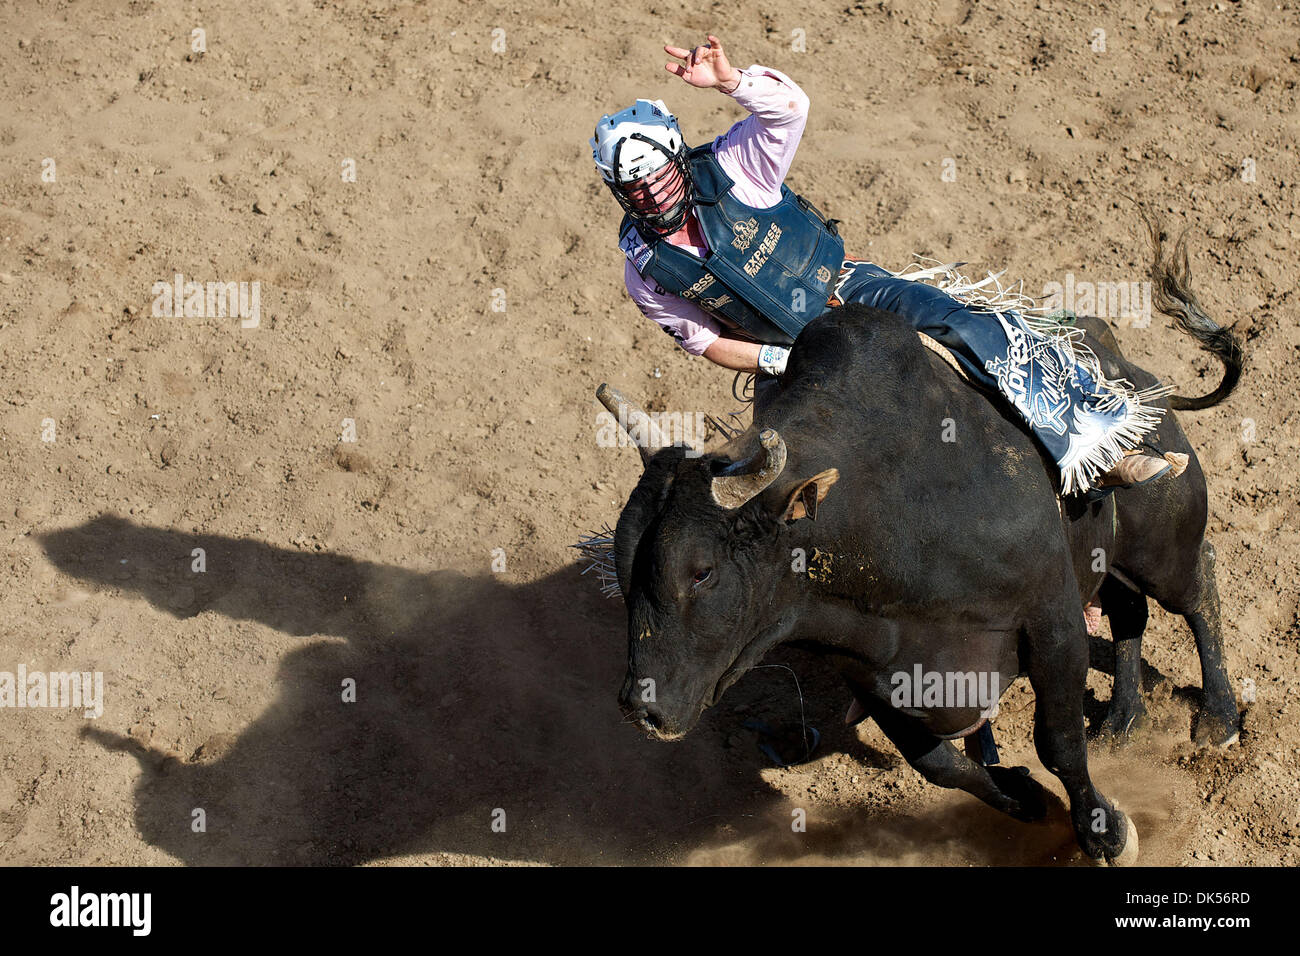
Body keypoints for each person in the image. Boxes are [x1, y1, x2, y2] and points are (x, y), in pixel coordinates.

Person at [590, 36, 1185, 496]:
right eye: (632, 189)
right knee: (787, 483)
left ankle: (1099, 451)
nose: (649, 196)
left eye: (657, 177)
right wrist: (783, 359)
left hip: (848, 289)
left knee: (970, 328)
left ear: (677, 157)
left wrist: (731, 81)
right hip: (786, 353)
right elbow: (708, 343)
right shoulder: (645, 271)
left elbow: (790, 110)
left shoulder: (734, 164)